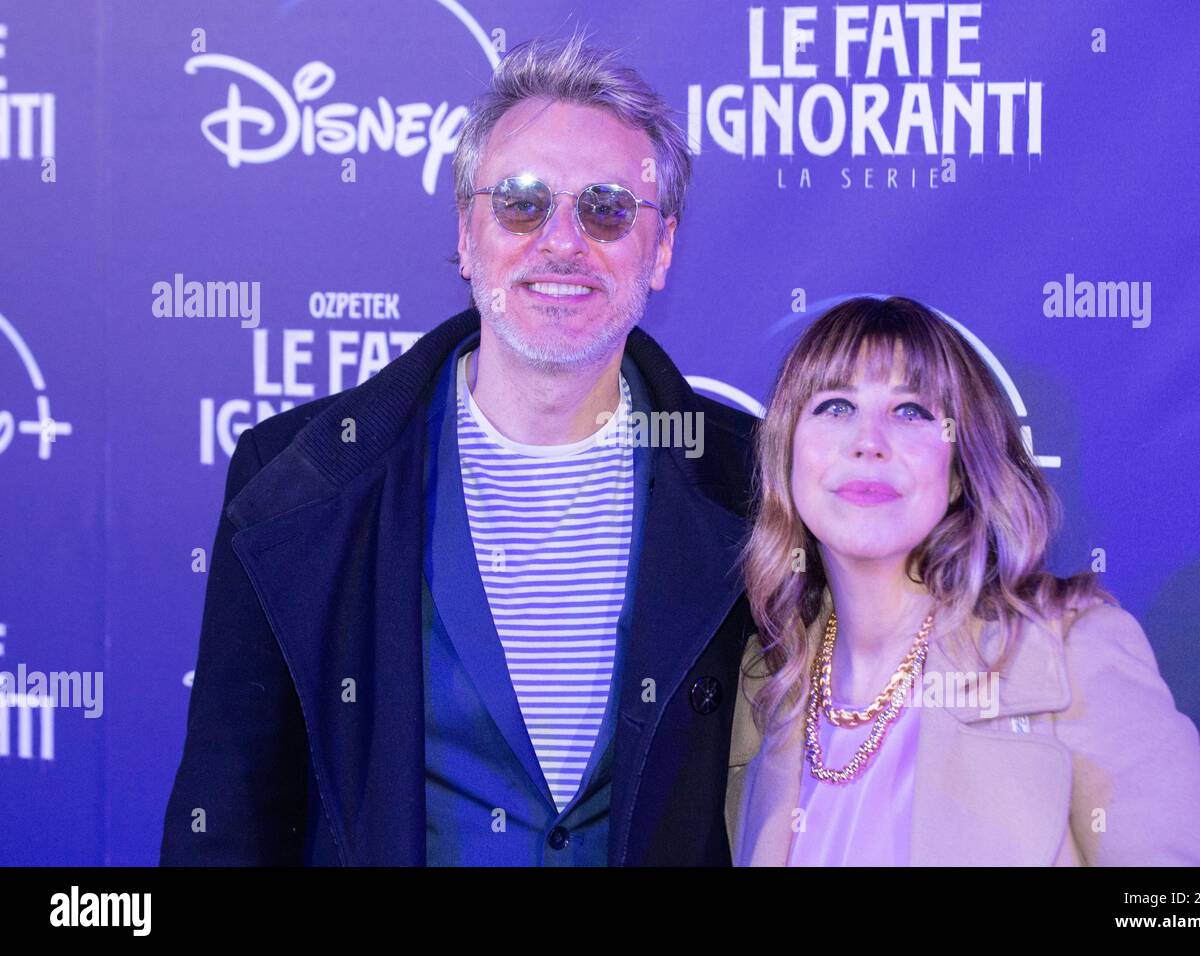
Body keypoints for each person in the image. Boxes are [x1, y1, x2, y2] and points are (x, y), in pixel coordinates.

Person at [160, 31, 759, 866]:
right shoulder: (297, 479)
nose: (562, 241)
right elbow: (228, 819)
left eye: (608, 208)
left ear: (659, 250)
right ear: (467, 237)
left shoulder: (756, 483)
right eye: (520, 201)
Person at [726, 295, 1200, 866]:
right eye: (836, 406)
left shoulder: (1071, 651)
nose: (868, 440)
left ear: (958, 473)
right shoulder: (764, 686)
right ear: (788, 455)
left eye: (911, 411)